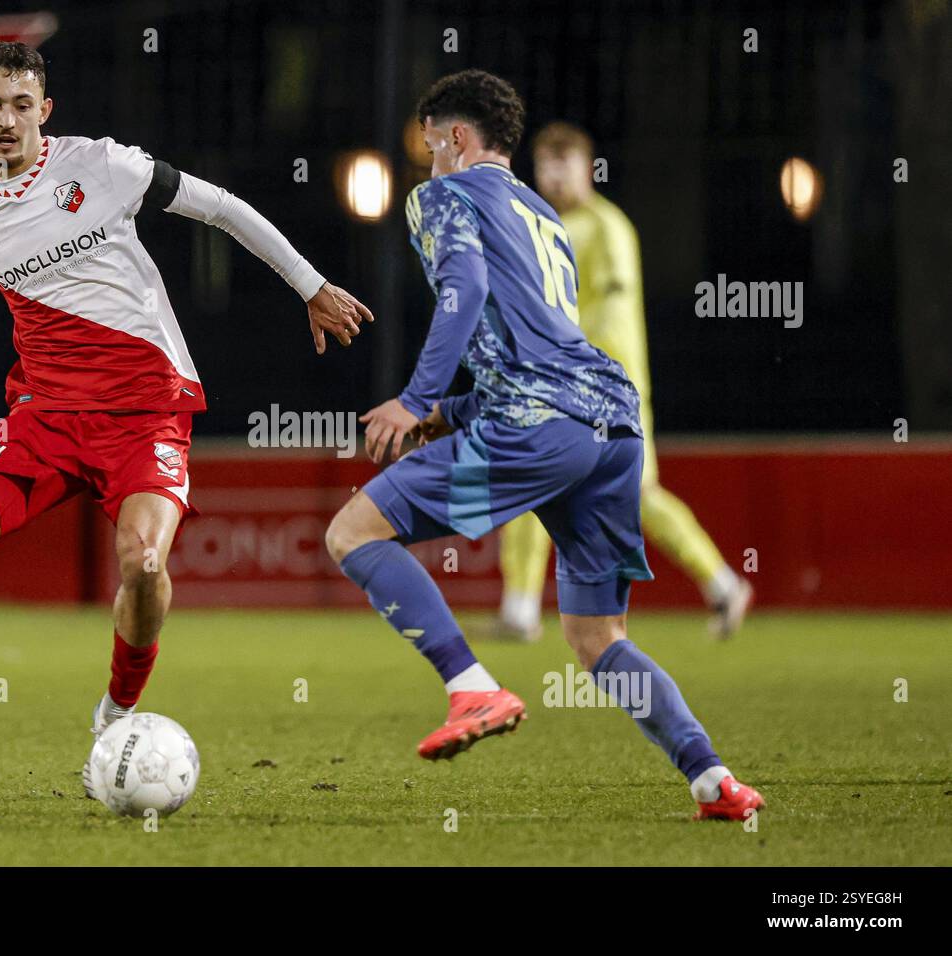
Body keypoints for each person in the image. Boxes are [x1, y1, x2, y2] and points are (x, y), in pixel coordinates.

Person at [0, 41, 372, 788]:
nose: (8, 119)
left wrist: (309, 284)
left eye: (22, 104)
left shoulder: (102, 167)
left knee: (143, 564)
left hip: (145, 415)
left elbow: (221, 208)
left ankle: (115, 719)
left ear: (44, 111)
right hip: (44, 419)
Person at [324, 70, 762, 820]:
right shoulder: (543, 215)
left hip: (542, 428)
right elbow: (535, 347)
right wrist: (454, 412)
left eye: (431, 147)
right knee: (598, 639)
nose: (427, 164)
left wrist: (419, 399)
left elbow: (461, 290)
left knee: (353, 530)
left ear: (456, 139)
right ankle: (713, 779)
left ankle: (472, 687)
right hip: (612, 426)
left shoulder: (443, 197)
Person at [497, 121, 752, 642]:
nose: (555, 176)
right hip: (562, 386)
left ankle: (723, 584)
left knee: (636, 496)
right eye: (546, 165)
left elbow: (612, 313)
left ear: (588, 169)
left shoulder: (608, 227)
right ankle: (519, 608)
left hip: (608, 388)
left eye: (564, 165)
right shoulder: (540, 227)